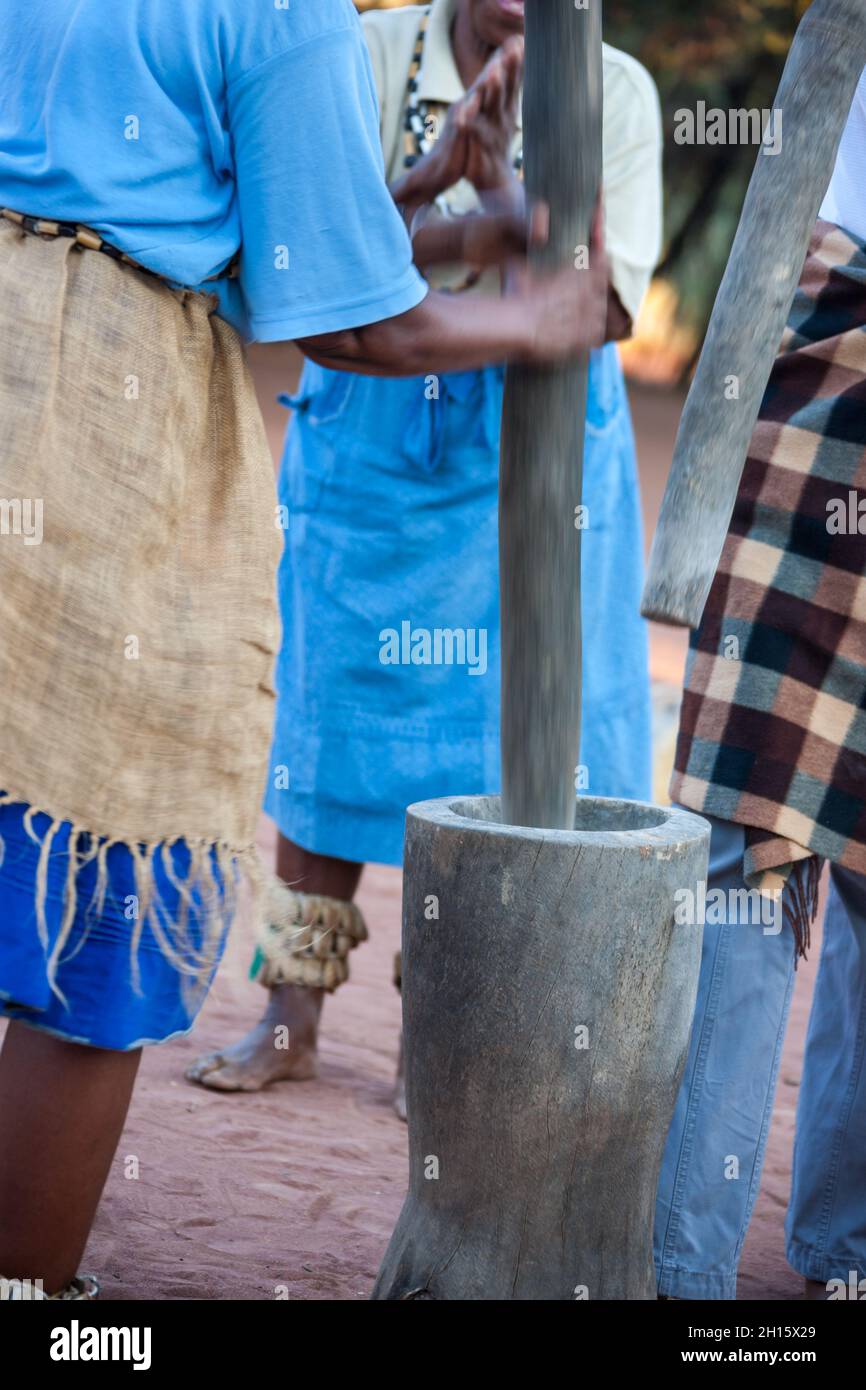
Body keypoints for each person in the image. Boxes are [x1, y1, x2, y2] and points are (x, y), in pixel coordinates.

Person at [0, 0, 609, 1300]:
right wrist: (539, 317)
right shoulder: (288, 17)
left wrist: (443, 201)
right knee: (95, 889)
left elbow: (268, 233)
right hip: (95, 425)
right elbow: (351, 322)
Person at [187, 0, 663, 1108]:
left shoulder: (618, 92)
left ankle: (437, 1041)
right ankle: (288, 1013)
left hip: (532, 454)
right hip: (374, 429)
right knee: (336, 712)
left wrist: (490, 189)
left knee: (509, 737)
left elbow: (588, 304)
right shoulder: (355, 51)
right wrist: (446, 192)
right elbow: (298, 253)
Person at [655, 68, 866, 1301]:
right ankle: (682, 1281)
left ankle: (836, 1252)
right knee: (748, 852)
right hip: (827, 348)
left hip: (815, 340)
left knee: (763, 860)